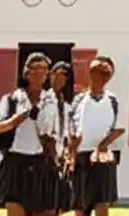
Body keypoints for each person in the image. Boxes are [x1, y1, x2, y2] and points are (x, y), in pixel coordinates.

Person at [0, 52, 61, 216]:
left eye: (43, 69)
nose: (39, 73)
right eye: (34, 68)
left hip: (42, 162)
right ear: (26, 72)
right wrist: (17, 119)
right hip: (16, 161)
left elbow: (57, 131)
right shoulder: (12, 99)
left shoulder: (51, 101)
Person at [70, 55, 124, 216]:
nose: (98, 75)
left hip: (103, 157)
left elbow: (119, 129)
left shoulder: (113, 100)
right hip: (81, 155)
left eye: (103, 72)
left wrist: (103, 145)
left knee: (102, 202)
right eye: (94, 71)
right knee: (80, 204)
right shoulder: (79, 99)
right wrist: (70, 153)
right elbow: (71, 127)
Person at [50, 61, 74, 215]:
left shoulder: (66, 106)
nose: (60, 81)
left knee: (60, 198)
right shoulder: (43, 99)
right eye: (57, 76)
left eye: (64, 78)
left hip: (60, 155)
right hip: (44, 154)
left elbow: (67, 133)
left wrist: (66, 152)